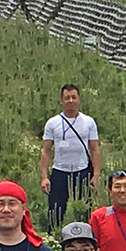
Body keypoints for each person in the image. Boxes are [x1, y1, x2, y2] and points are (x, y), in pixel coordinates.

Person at [40, 82, 101, 225]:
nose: (71, 101)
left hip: (82, 172)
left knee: (84, 211)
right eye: (67, 98)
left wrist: (96, 174)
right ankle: (54, 239)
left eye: (74, 97)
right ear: (62, 100)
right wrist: (44, 177)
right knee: (55, 212)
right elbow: (46, 151)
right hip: (60, 171)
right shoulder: (52, 123)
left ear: (79, 99)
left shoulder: (88, 122)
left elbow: (94, 149)